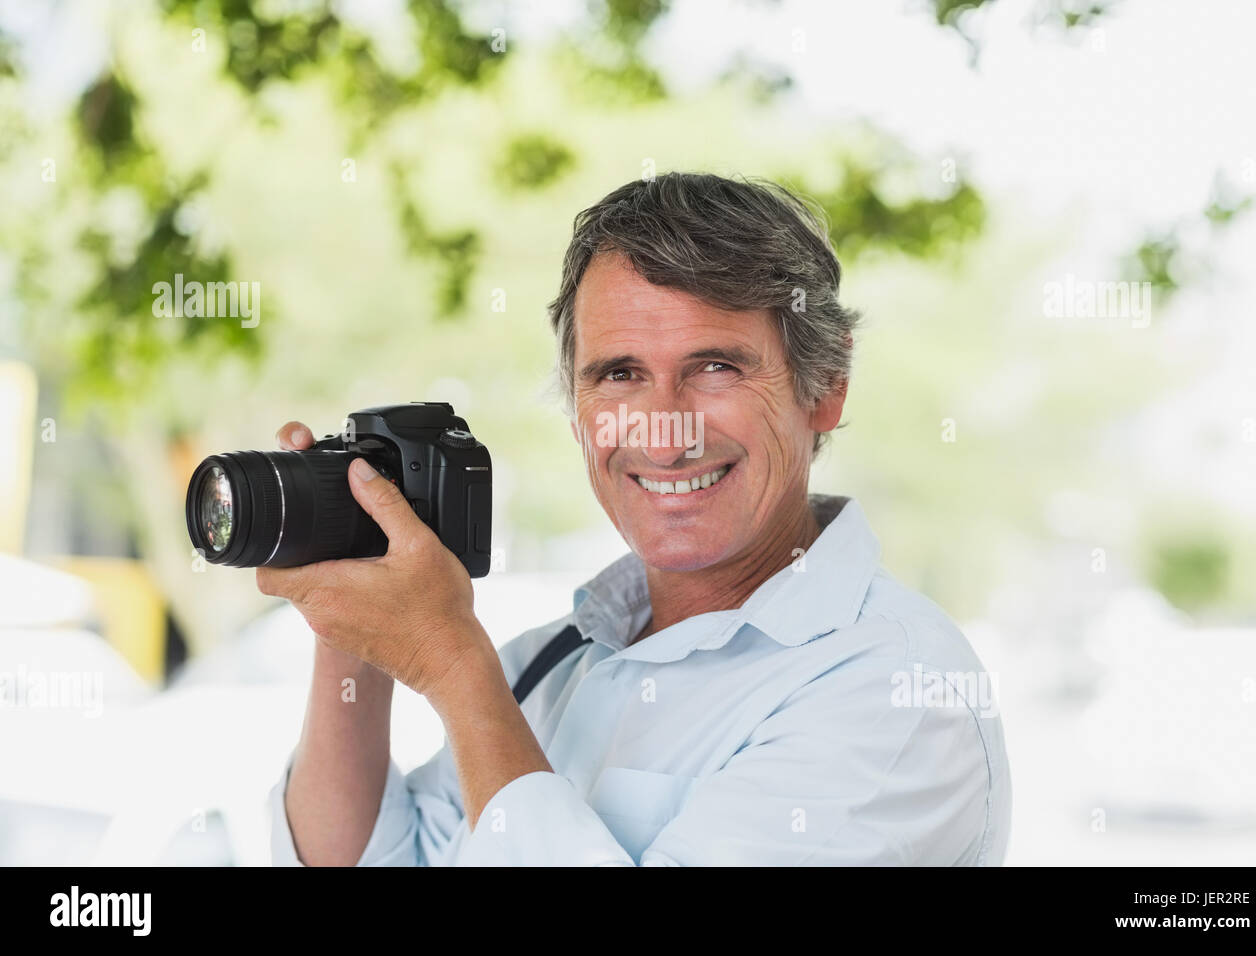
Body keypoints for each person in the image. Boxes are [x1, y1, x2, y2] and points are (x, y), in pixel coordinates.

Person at [260, 172, 1012, 865]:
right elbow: (365, 858)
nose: (664, 429)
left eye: (715, 367)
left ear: (827, 388)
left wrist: (453, 665)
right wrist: (347, 611)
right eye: (620, 375)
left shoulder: (897, 691)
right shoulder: (554, 663)